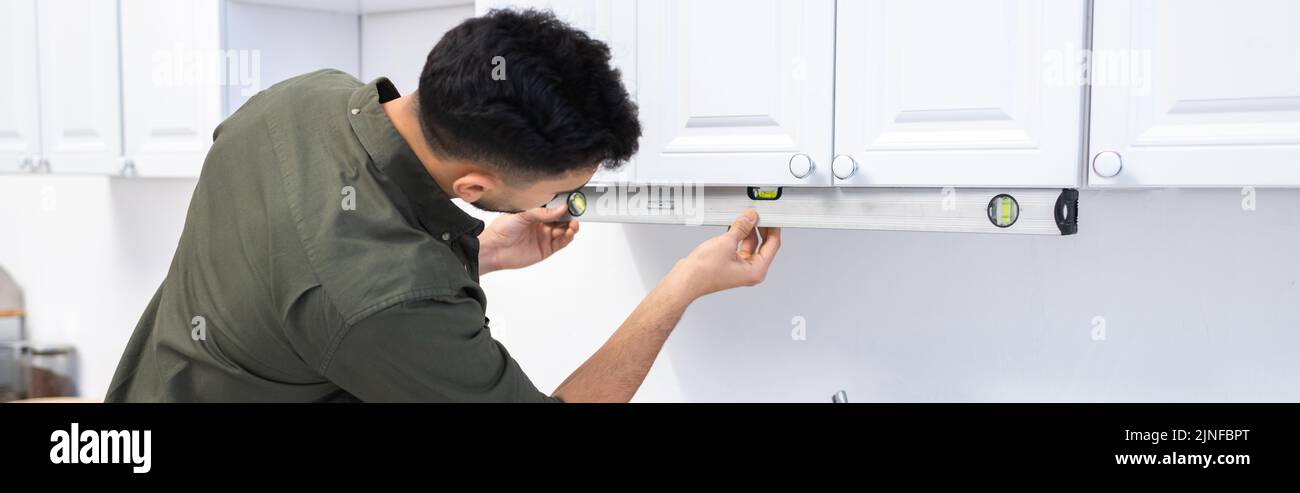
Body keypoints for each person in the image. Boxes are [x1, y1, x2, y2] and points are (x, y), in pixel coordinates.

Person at [105, 8, 780, 403]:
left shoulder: (299, 99)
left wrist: (483, 250)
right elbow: (363, 295)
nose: (559, 203)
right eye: (557, 190)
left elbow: (304, 277)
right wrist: (683, 284)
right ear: (474, 187)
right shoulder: (390, 299)